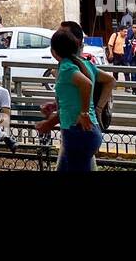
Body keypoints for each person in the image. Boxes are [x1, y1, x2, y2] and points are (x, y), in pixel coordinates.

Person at [37, 27, 103, 172]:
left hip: (78, 133)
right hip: (81, 132)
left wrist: (84, 113)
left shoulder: (67, 68)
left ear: (53, 51)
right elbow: (71, 102)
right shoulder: (80, 64)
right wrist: (55, 107)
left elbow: (87, 84)